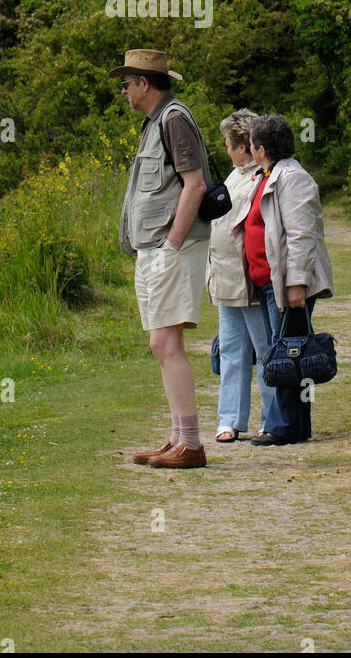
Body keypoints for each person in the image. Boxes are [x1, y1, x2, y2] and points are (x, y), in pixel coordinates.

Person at [111, 48, 212, 470]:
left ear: (144, 84)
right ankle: (177, 438)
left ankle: (190, 443)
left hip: (171, 247)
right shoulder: (157, 122)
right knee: (161, 345)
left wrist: (171, 243)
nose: (124, 91)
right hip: (153, 249)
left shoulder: (173, 119)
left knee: (166, 344)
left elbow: (196, 185)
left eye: (127, 83)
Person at [232, 113, 334, 446]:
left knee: (288, 352)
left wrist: (296, 283)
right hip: (266, 282)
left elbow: (302, 235)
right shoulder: (267, 174)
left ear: (260, 148)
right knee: (286, 351)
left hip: (286, 282)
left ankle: (283, 426)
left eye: (252, 143)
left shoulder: (293, 177)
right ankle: (294, 425)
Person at [205, 109, 273, 442]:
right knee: (232, 350)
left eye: (229, 144)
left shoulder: (261, 176)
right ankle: (229, 419)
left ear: (242, 146)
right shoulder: (234, 176)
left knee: (264, 350)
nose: (227, 151)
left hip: (249, 280)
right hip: (225, 280)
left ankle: (272, 418)